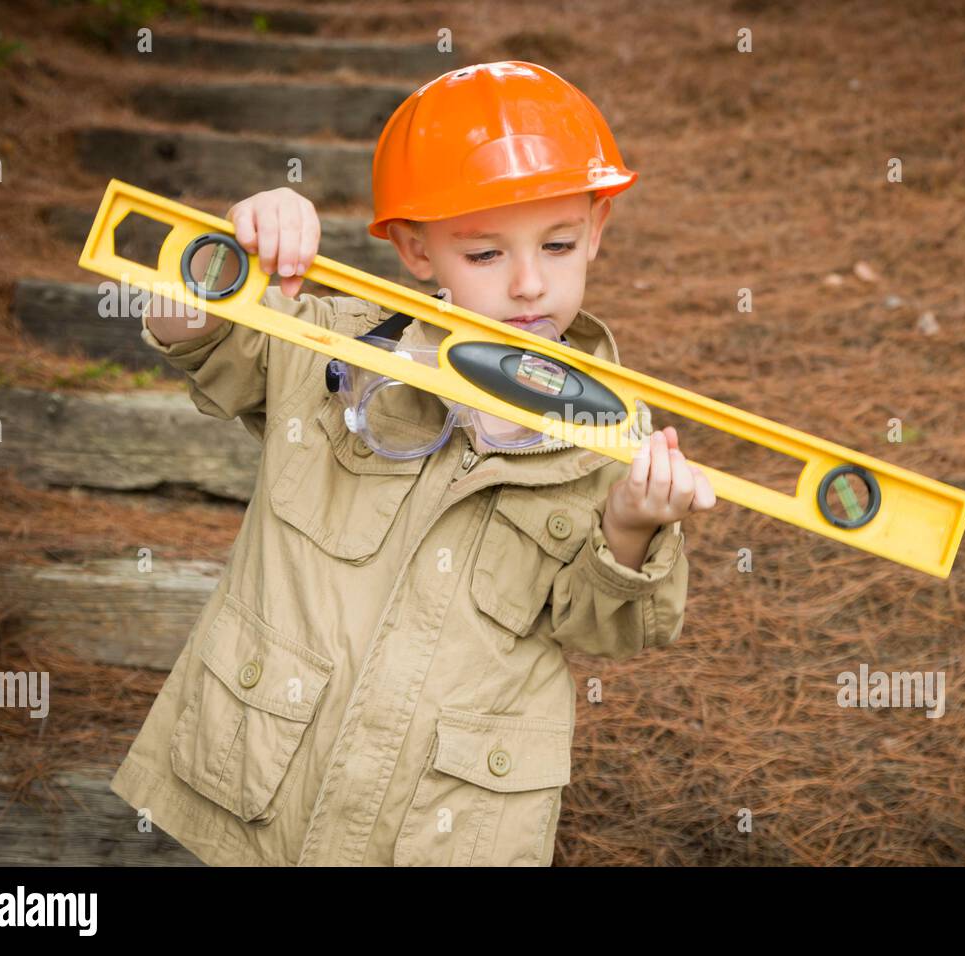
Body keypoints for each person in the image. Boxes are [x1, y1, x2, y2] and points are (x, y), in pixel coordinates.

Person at [109, 60, 716, 866]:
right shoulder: (336, 349)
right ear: (416, 249)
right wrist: (233, 249)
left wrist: (632, 527)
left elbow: (612, 627)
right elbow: (204, 334)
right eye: (486, 255)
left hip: (441, 826)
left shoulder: (613, 437)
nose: (530, 284)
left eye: (559, 243)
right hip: (257, 789)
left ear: (597, 230)